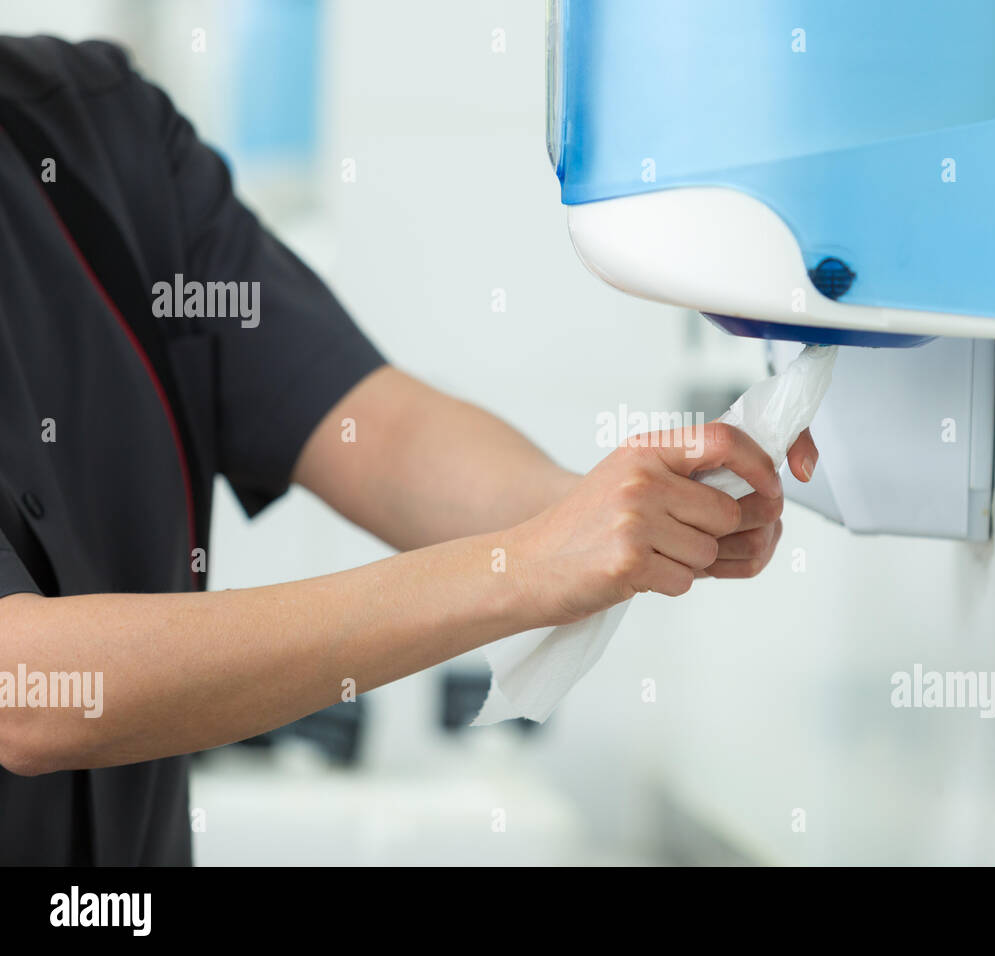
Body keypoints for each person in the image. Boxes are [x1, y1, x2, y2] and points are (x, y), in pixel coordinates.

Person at [0, 37, 818, 864]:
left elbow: (368, 426)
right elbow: (24, 690)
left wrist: (632, 510)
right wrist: (521, 566)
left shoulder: (98, 127)